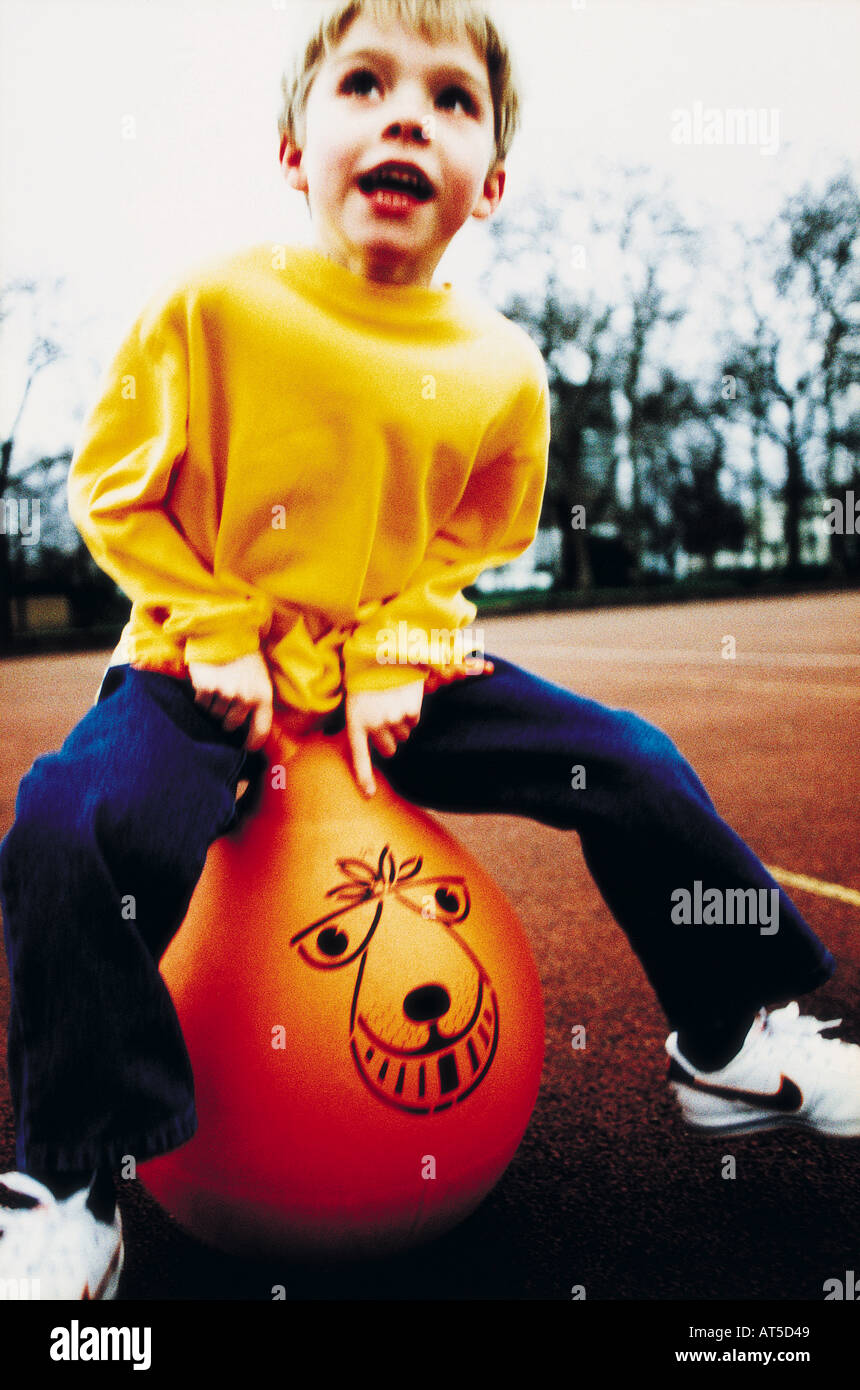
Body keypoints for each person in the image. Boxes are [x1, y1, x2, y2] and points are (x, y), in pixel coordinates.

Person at [1, 0, 856, 1302]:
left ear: (489, 181)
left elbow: (464, 543)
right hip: (201, 672)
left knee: (627, 757)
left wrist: (401, 646)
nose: (408, 113)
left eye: (452, 101)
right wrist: (220, 633)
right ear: (296, 149)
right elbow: (118, 489)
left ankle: (728, 1040)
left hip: (389, 671)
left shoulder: (501, 367)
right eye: (363, 85)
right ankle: (68, 1179)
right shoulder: (214, 305)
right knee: (64, 818)